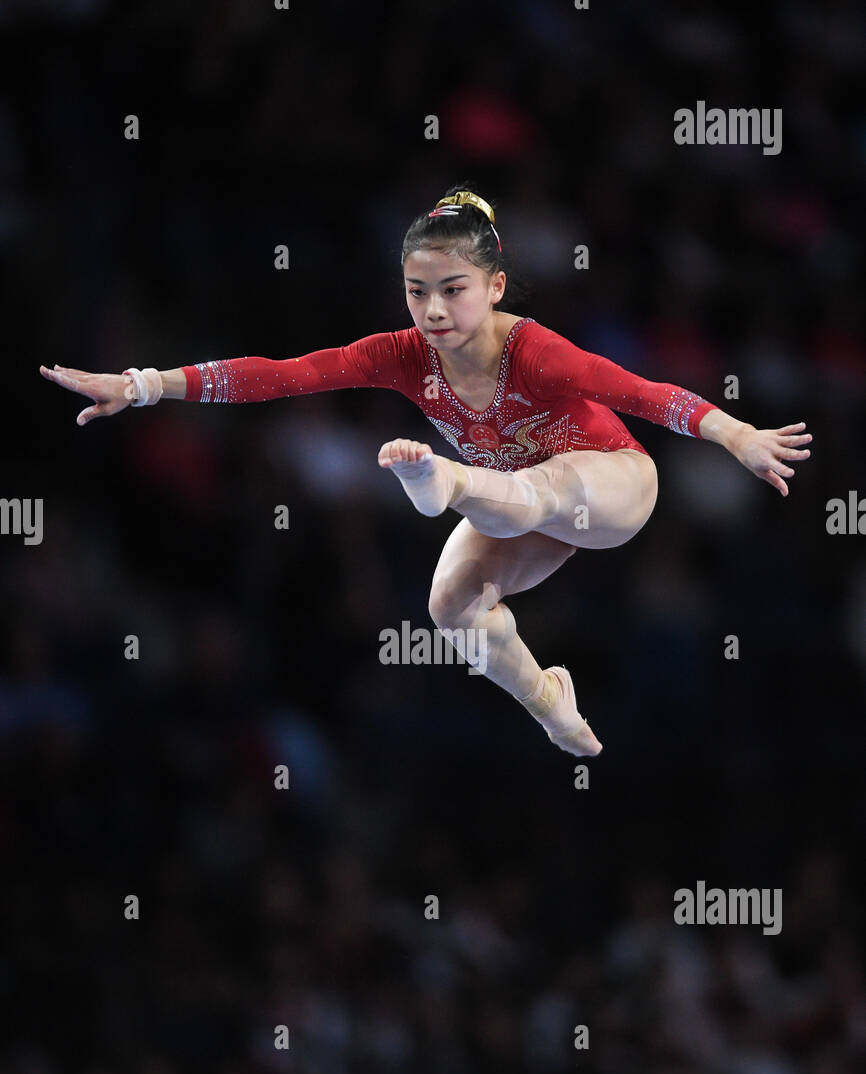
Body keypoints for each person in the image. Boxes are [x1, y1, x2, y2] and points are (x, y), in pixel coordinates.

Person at [39, 184, 811, 758]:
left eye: (453, 290)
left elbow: (641, 392)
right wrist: (141, 385)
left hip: (607, 484)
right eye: (417, 291)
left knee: (533, 492)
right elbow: (282, 374)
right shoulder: (401, 357)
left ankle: (446, 484)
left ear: (494, 287)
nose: (433, 310)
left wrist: (736, 433)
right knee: (450, 607)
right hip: (518, 506)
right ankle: (549, 700)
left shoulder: (534, 352)